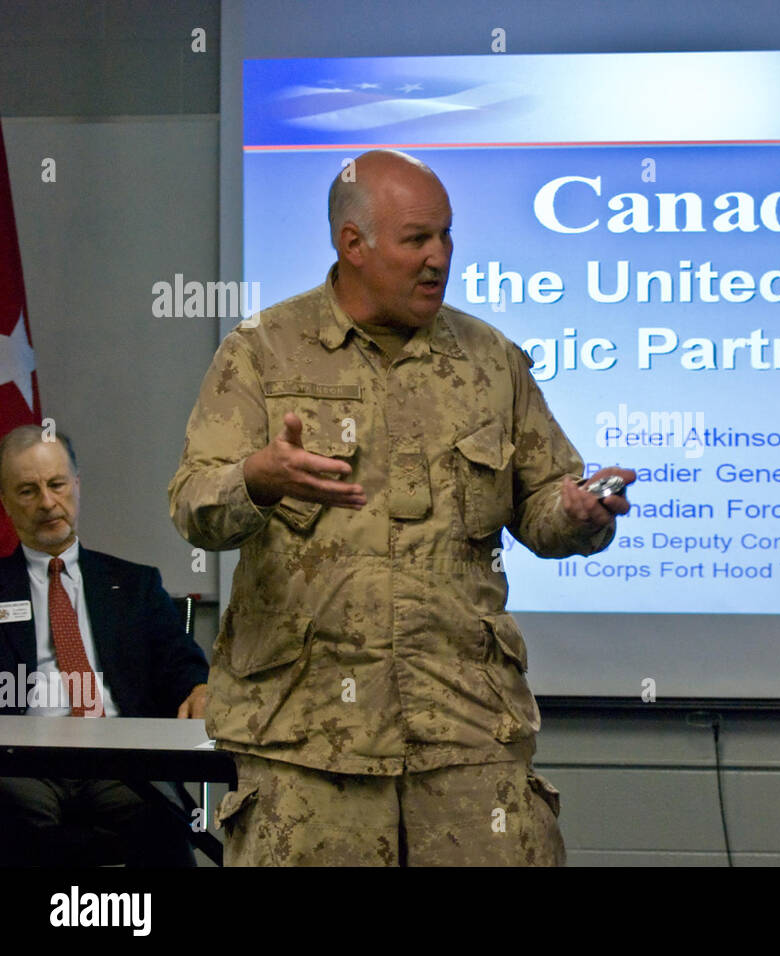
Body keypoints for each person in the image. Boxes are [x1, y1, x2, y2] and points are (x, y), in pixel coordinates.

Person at [169, 148, 634, 866]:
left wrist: (577, 514)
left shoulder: (490, 361)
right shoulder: (262, 353)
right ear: (353, 244)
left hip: (466, 732)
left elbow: (542, 505)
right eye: (418, 238)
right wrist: (258, 478)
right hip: (309, 743)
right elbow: (195, 507)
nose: (439, 258)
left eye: (447, 237)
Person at [0, 426, 210, 867]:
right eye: (27, 490)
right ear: (5, 502)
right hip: (23, 765)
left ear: (76, 485)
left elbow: (180, 663)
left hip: (120, 758)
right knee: (14, 826)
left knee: (164, 825)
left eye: (56, 484)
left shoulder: (135, 584)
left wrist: (198, 687)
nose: (46, 502)